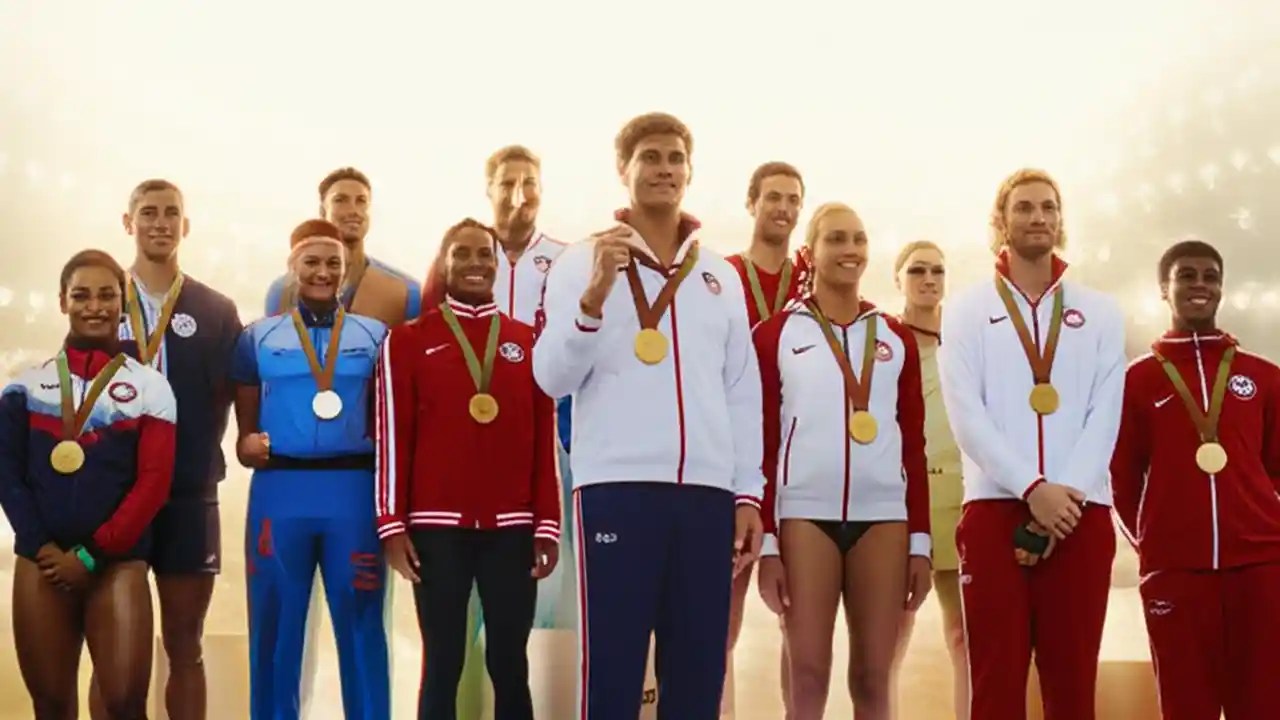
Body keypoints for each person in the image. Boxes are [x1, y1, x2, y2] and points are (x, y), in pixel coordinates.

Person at [533, 111, 766, 718]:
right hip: (617, 489)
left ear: (689, 171)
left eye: (675, 158)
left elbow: (741, 390)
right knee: (612, 670)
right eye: (651, 158)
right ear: (623, 168)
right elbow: (550, 377)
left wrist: (747, 493)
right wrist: (592, 301)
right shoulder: (581, 261)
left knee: (697, 674)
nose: (665, 170)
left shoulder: (719, 275)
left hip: (707, 495)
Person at [937, 168, 1126, 720]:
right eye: (1023, 207)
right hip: (995, 509)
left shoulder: (1100, 311)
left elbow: (1104, 415)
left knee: (1072, 687)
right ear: (1001, 220)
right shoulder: (967, 310)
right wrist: (1032, 488)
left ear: (1060, 220)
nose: (1038, 217)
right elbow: (966, 416)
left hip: (1081, 513)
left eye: (1048, 207)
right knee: (995, 685)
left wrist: (1061, 500)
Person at [378, 218, 562, 720]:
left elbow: (543, 440)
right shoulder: (407, 341)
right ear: (444, 263)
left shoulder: (527, 341)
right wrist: (392, 523)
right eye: (462, 253)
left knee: (510, 663)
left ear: (498, 264)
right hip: (436, 529)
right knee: (443, 662)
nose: (475, 263)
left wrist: (547, 524)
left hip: (512, 529)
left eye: (485, 254)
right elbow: (394, 436)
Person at [754, 203, 932, 720]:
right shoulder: (775, 335)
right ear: (810, 251)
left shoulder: (895, 337)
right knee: (808, 677)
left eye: (858, 239)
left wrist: (920, 542)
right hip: (804, 516)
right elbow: (762, 444)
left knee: (874, 678)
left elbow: (913, 445)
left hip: (884, 519)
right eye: (835, 239)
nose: (850, 249)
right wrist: (768, 543)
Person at [87, 179, 242, 720]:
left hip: (188, 496)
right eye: (148, 212)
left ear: (186, 225)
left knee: (185, 646)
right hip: (115, 496)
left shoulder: (216, 309)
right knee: (113, 655)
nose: (160, 222)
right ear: (128, 223)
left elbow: (226, 396)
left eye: (171, 212)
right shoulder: (102, 302)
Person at [0, 249, 177, 720]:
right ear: (63, 301)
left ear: (122, 303)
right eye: (81, 296)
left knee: (124, 705)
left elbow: (154, 483)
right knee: (51, 706)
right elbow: (8, 475)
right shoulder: (23, 386)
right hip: (42, 560)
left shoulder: (150, 387)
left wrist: (93, 554)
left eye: (106, 296)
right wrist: (41, 545)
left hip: (116, 563)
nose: (94, 306)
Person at [1111, 239, 1280, 720]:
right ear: (1164, 289)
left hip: (1260, 569)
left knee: (1265, 704)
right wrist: (1156, 543)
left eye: (1210, 277)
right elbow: (1122, 477)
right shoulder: (1136, 381)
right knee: (1186, 706)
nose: (1200, 285)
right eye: (1186, 275)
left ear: (1222, 288)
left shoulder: (1263, 377)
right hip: (1176, 573)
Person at [232, 219, 391, 720]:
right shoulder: (257, 337)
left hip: (353, 492)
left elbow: (390, 417)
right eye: (312, 263)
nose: (323, 273)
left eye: (333, 264)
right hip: (280, 491)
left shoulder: (376, 336)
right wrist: (247, 444)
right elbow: (245, 432)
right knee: (275, 627)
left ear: (346, 271)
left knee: (362, 624)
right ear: (292, 267)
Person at [722, 160, 807, 718]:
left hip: (797, 462)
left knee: (798, 622)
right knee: (720, 622)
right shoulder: (723, 277)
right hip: (737, 461)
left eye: (793, 199)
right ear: (751, 203)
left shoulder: (812, 279)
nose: (783, 208)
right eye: (773, 197)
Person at [889, 240, 968, 719]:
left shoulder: (962, 345)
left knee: (964, 637)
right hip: (901, 506)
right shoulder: (881, 344)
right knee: (891, 639)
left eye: (937, 270)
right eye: (917, 270)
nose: (929, 279)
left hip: (959, 502)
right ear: (898, 278)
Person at [266, 167, 422, 326]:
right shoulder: (283, 292)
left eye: (361, 201)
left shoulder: (405, 292)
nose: (353, 210)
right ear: (323, 211)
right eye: (340, 200)